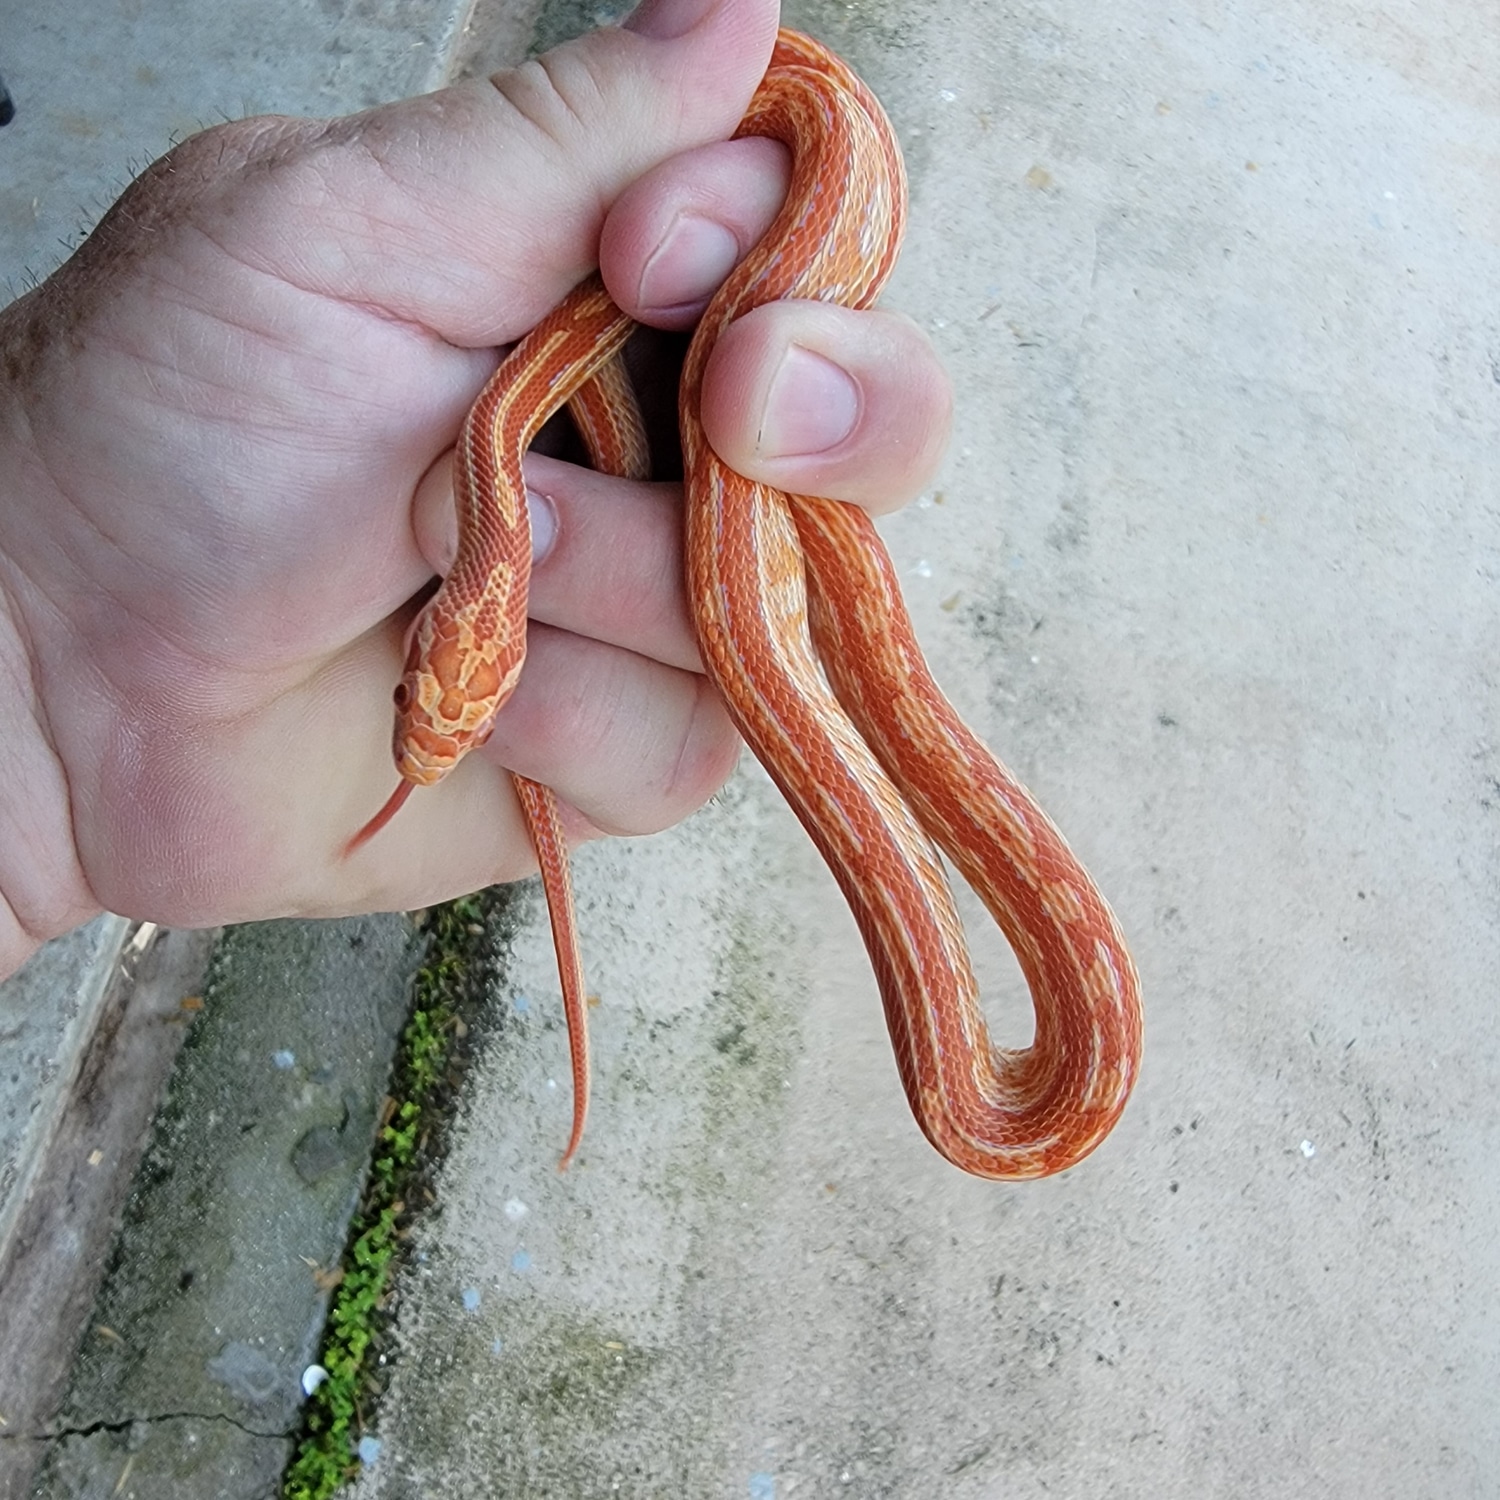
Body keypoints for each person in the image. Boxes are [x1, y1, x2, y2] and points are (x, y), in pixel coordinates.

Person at [0, 0, 951, 982]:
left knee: (761, 436)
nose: (415, 738)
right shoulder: (488, 442)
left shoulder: (498, 437)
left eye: (412, 693)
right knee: (754, 454)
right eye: (425, 698)